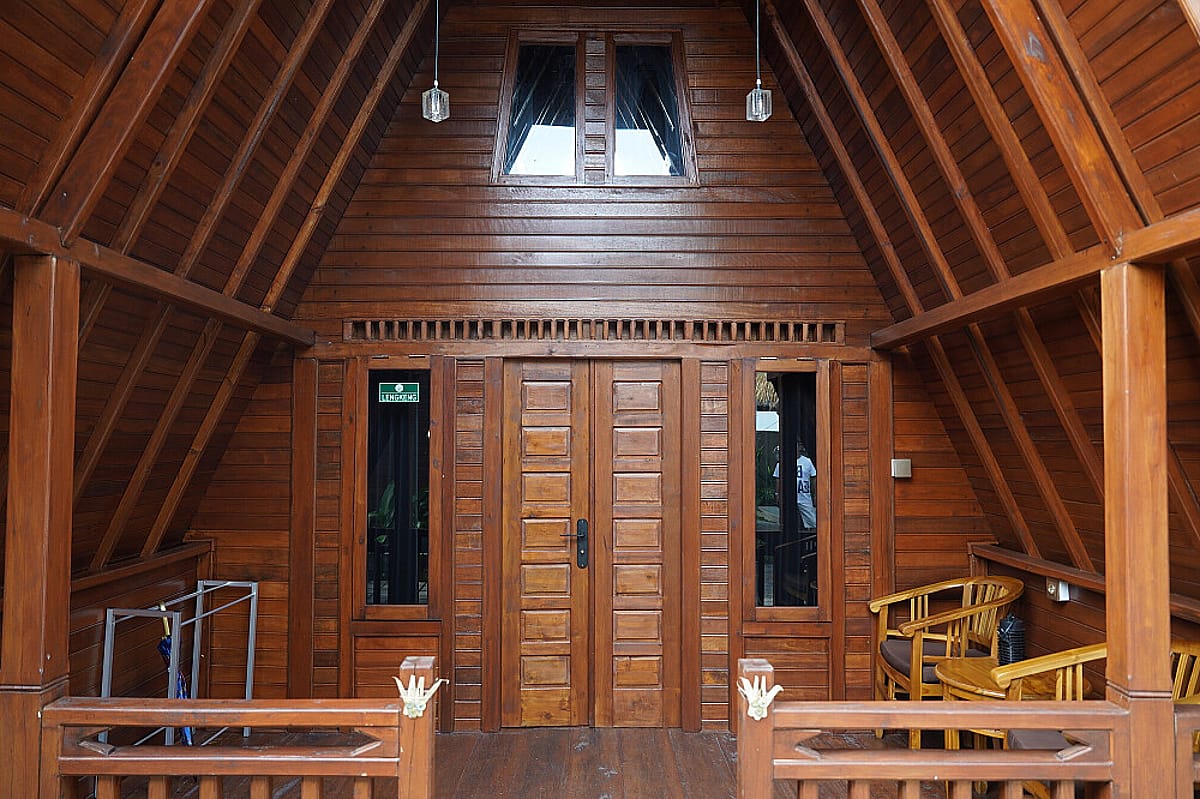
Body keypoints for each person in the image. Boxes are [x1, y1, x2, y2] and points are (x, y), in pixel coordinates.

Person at [774, 442, 817, 528]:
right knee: (786, 522)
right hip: (788, 497)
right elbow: (778, 478)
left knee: (811, 522)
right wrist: (777, 494)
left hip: (804, 496)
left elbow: (813, 478)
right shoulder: (782, 462)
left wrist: (815, 494)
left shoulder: (808, 462)